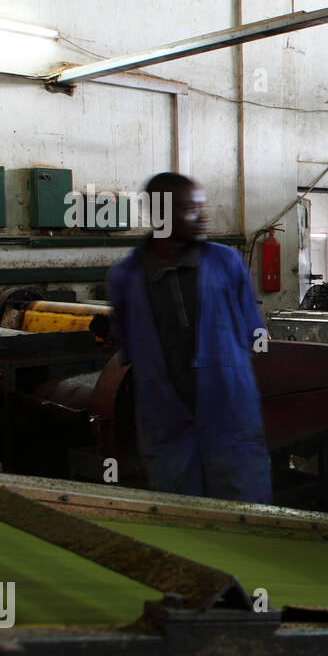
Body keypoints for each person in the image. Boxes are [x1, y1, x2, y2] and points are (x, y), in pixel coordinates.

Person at [106, 172, 272, 503]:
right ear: (162, 214)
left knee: (248, 515)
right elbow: (129, 352)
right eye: (191, 209)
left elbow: (253, 332)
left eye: (201, 206)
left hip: (230, 416)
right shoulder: (125, 278)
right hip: (167, 423)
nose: (203, 216)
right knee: (181, 519)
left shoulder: (225, 263)